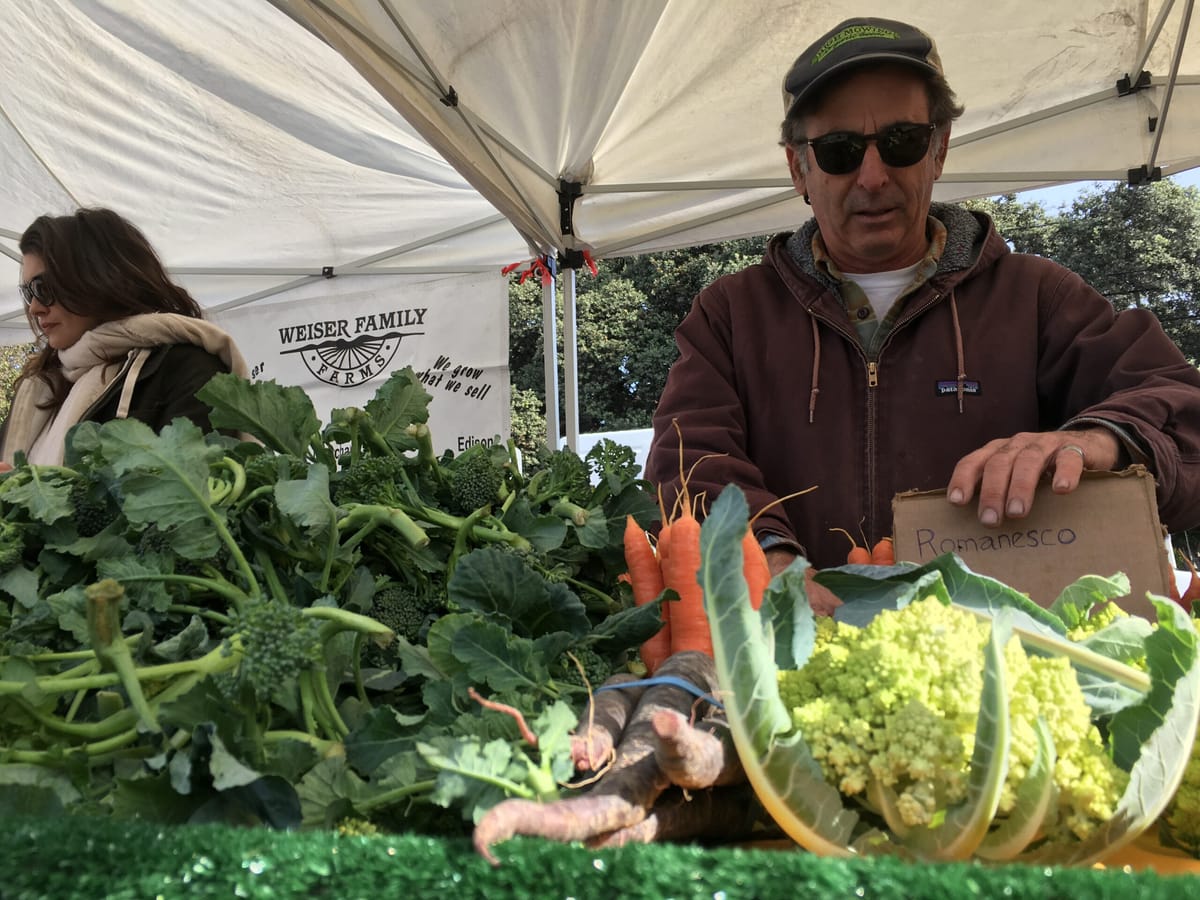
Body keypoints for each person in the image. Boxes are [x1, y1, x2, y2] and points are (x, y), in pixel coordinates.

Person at [644, 17, 1200, 605]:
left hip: (1002, 665)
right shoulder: (729, 316)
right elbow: (689, 460)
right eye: (839, 151)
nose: (874, 176)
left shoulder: (1039, 298)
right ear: (797, 169)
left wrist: (1099, 441)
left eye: (902, 141)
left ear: (938, 149)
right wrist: (769, 564)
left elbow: (1182, 412)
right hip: (793, 659)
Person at [0, 207, 249, 468]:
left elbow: (193, 497)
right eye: (28, 292)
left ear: (97, 277)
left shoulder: (188, 369)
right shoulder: (43, 386)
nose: (34, 307)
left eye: (44, 287)